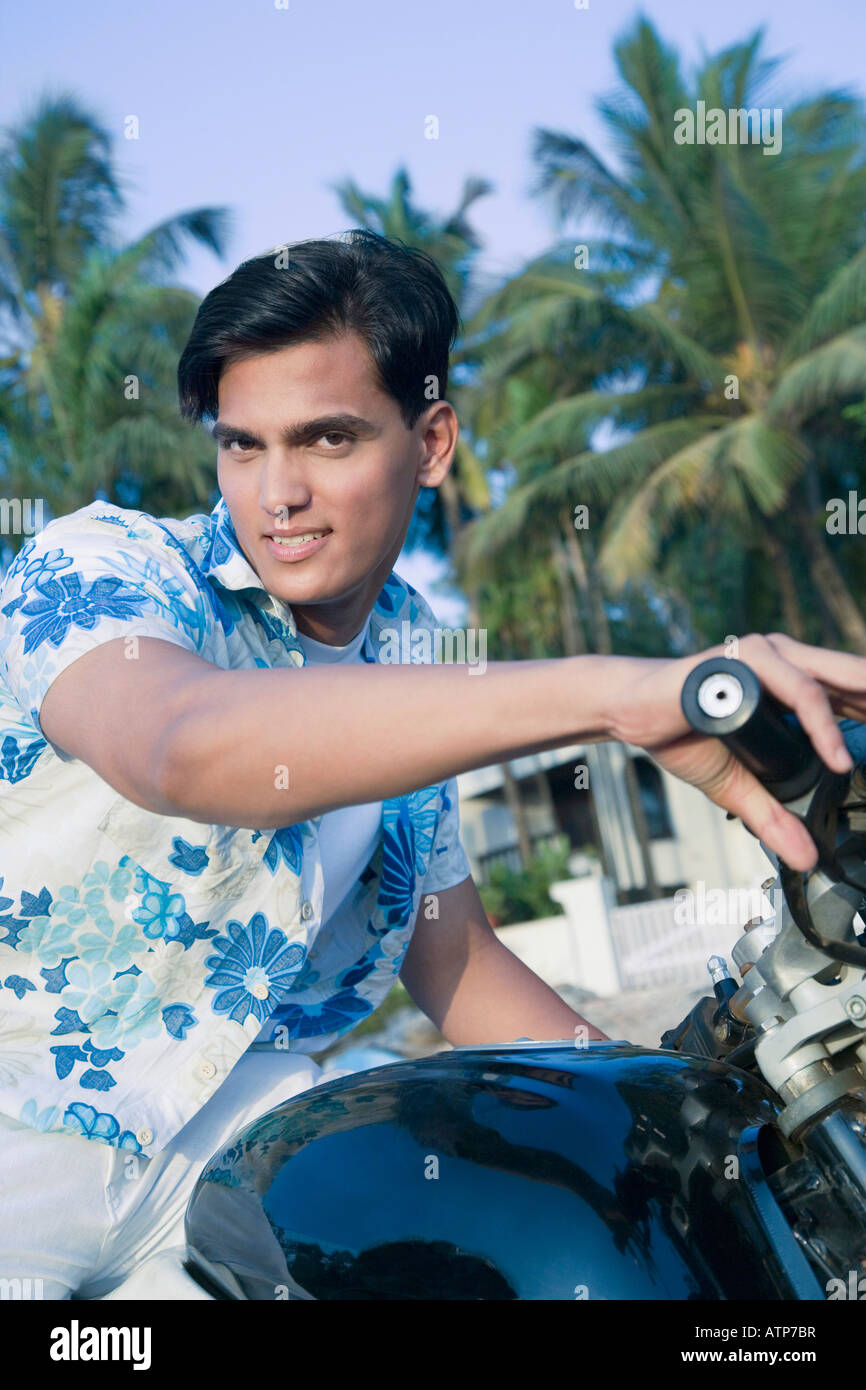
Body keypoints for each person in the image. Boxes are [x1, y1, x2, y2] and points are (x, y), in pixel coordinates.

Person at [0, 228, 861, 1300]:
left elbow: (449, 955)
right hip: (19, 1125)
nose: (276, 495)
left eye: (325, 439)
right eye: (242, 445)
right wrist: (615, 693)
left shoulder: (408, 645)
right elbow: (177, 745)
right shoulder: (103, 563)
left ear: (433, 441)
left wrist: (687, 1117)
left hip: (222, 1126)